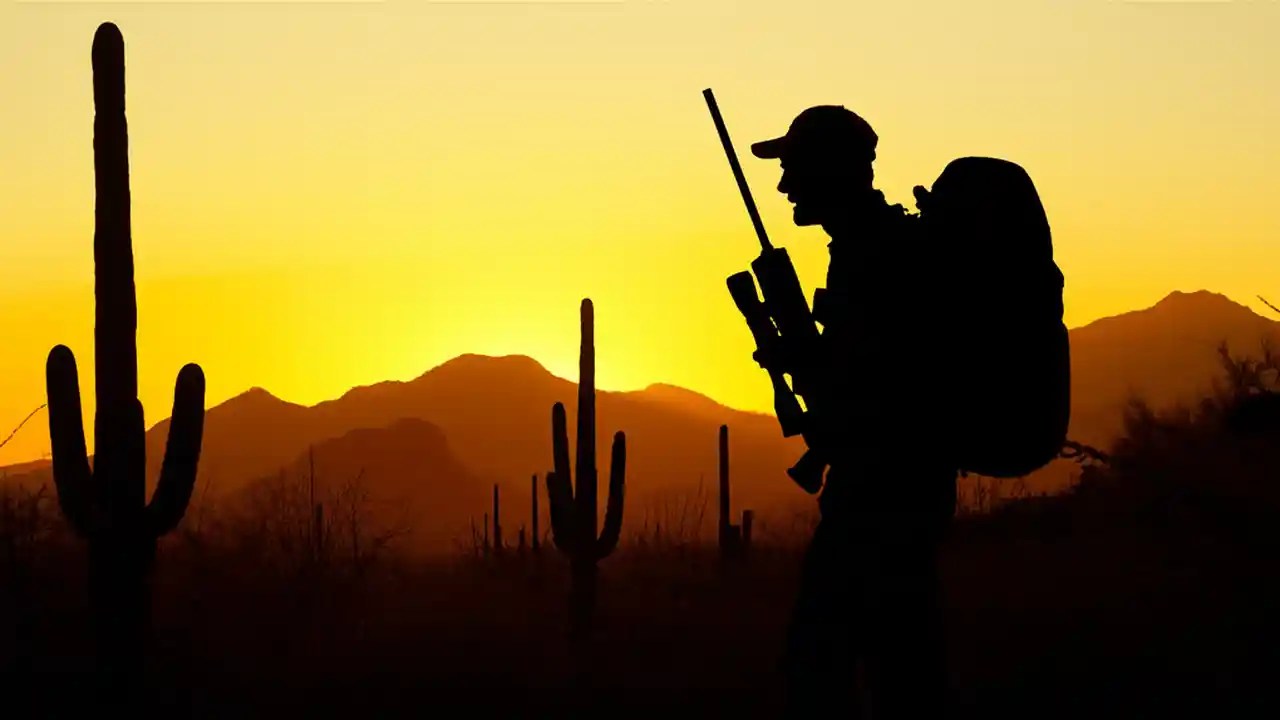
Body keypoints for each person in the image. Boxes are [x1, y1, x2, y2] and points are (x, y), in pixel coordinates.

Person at [750, 106, 958, 718]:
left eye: (793, 169)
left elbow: (880, 387)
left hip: (886, 492)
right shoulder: (874, 247)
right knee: (897, 664)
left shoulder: (878, 255)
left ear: (830, 170)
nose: (785, 186)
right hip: (891, 487)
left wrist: (808, 363)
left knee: (831, 664)